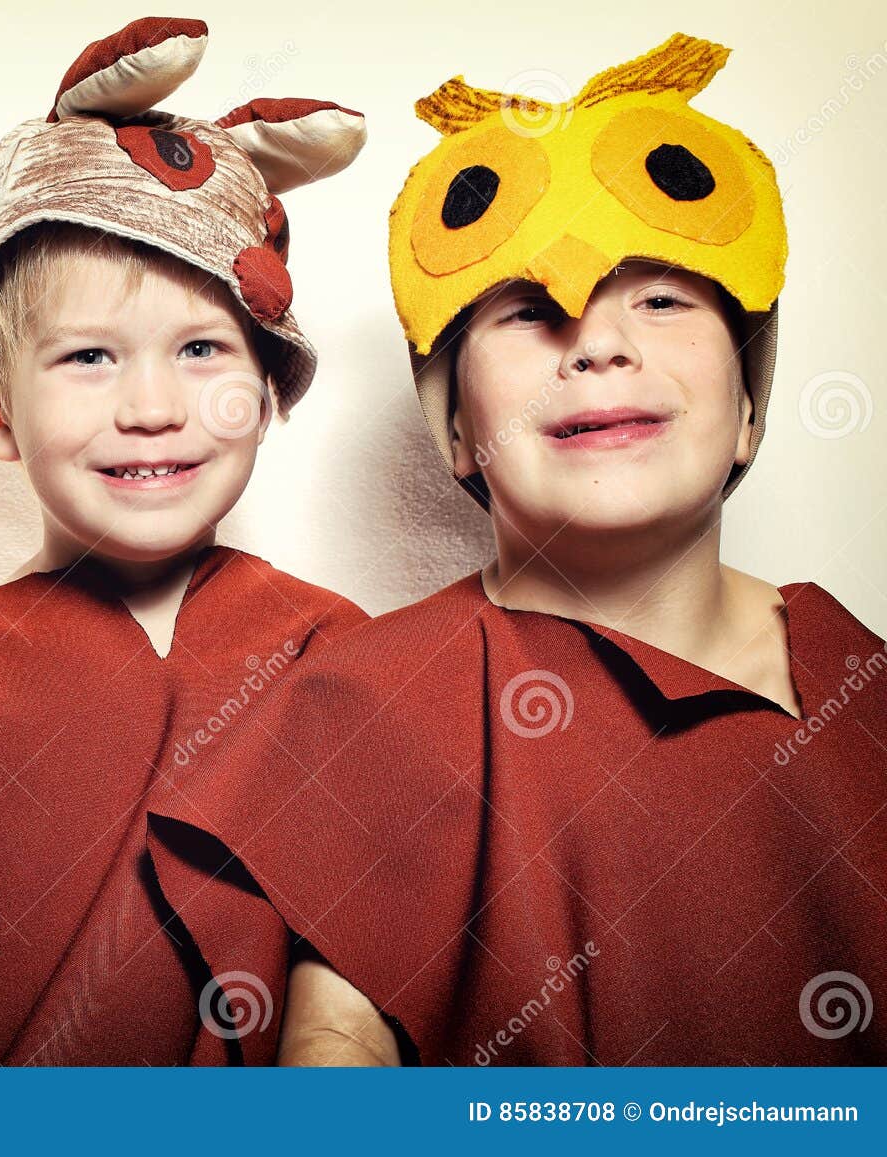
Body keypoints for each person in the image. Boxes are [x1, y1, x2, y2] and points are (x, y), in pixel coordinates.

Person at [148, 33, 887, 1065]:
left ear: (749, 407)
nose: (595, 340)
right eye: (528, 313)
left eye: (663, 298)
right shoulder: (371, 699)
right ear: (456, 431)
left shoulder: (861, 672)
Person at [0, 16, 372, 1065]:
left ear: (268, 388)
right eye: (89, 355)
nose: (150, 405)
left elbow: (394, 944)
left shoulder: (344, 659)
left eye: (198, 349)